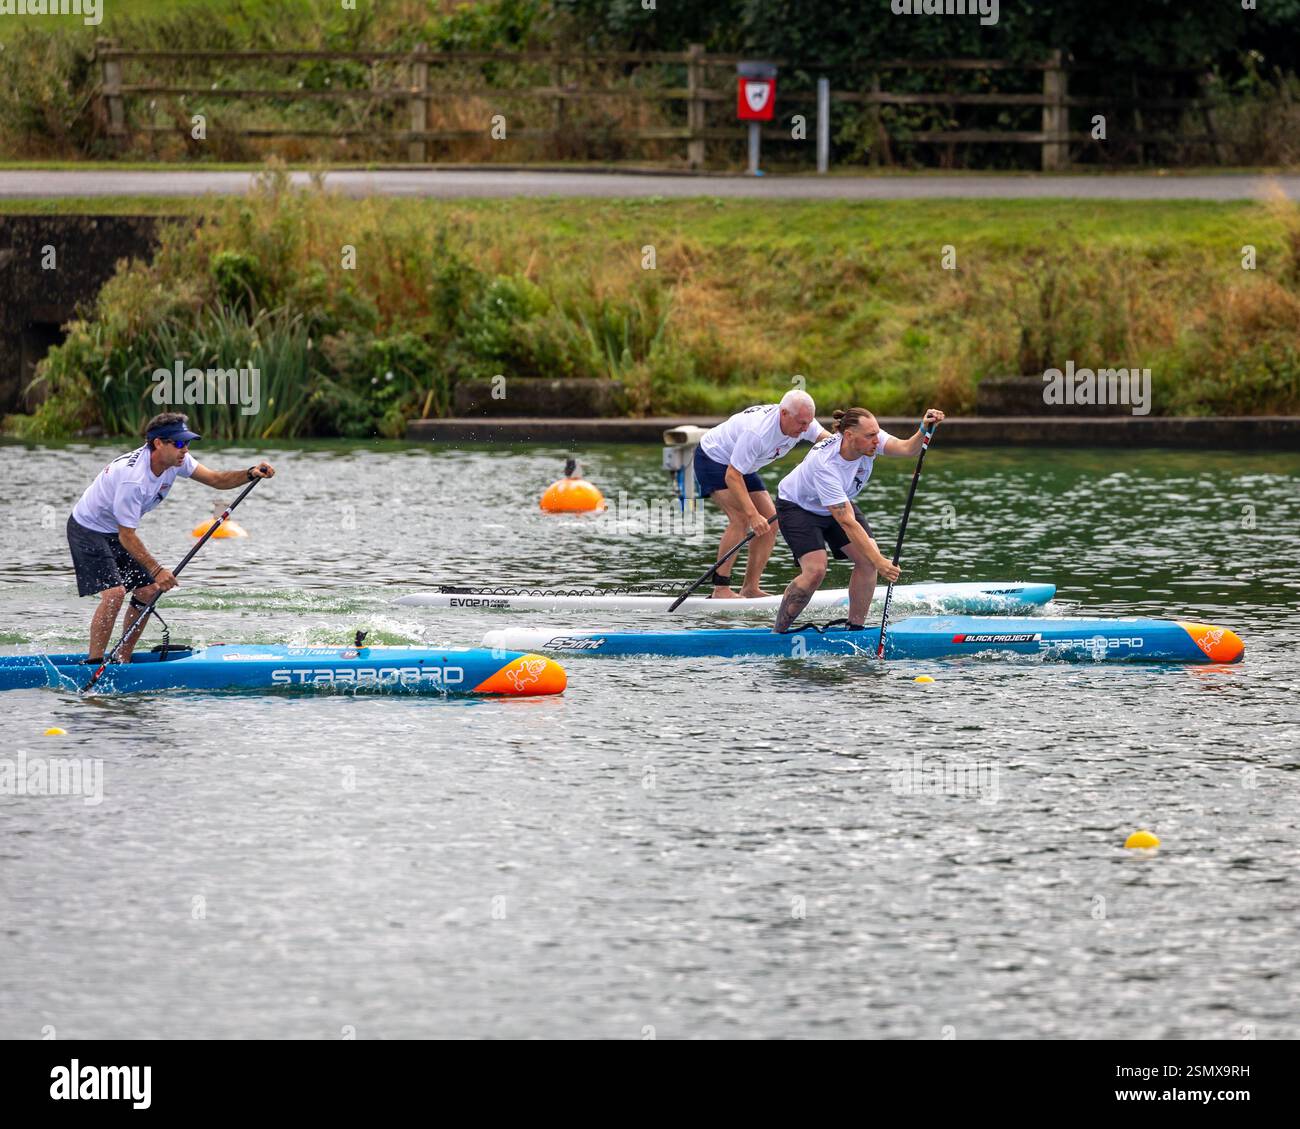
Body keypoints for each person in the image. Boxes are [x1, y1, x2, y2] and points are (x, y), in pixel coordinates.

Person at [66, 412, 276, 663]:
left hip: (116, 531)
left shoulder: (177, 461)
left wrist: (250, 473)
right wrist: (156, 569)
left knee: (148, 591)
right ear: (158, 444)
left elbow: (216, 479)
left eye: (187, 443)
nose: (184, 449)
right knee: (115, 594)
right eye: (178, 443)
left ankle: (122, 659)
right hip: (88, 529)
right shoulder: (134, 480)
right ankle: (94, 662)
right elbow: (127, 535)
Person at [773, 406, 945, 632]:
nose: (876, 440)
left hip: (838, 503)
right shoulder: (825, 463)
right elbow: (847, 521)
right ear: (849, 436)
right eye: (870, 436)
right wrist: (881, 561)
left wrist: (924, 429)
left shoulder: (869, 441)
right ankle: (779, 632)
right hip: (798, 507)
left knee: (867, 561)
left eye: (877, 434)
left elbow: (906, 448)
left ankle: (855, 629)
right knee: (816, 570)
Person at [693, 389, 831, 598]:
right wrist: (752, 514)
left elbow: (829, 443)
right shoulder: (757, 432)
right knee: (740, 519)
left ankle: (750, 588)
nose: (805, 429)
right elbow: (732, 476)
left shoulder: (803, 421)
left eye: (808, 424)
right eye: (801, 423)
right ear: (784, 414)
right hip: (714, 460)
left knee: (770, 523)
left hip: (742, 466)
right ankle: (720, 589)